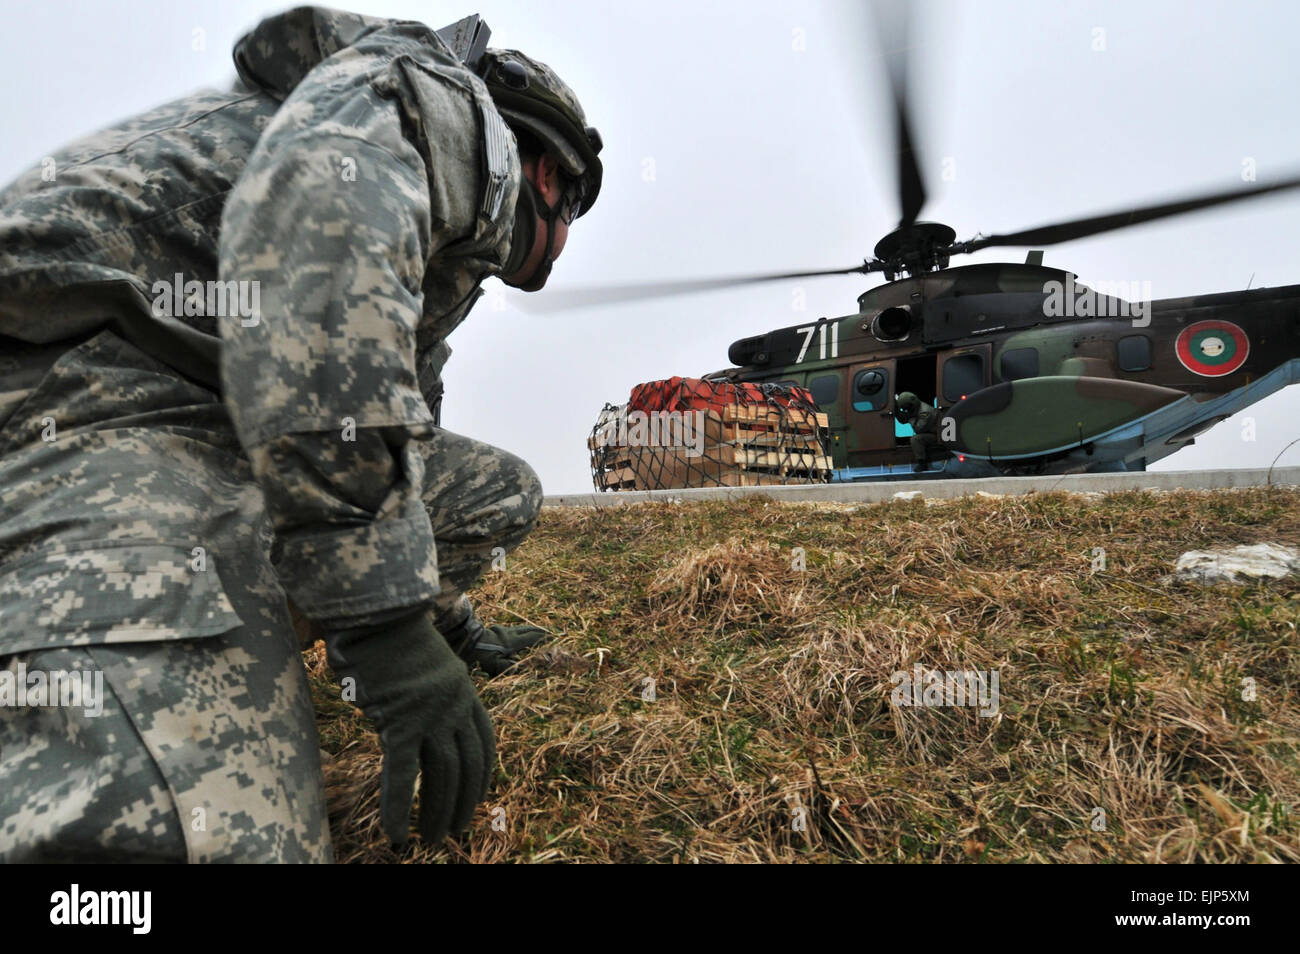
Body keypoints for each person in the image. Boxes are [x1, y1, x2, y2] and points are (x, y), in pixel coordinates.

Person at [0, 6, 601, 862]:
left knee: (498, 489)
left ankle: (249, 614)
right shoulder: (456, 117)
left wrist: (444, 628)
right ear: (549, 171)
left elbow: (390, 443)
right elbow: (311, 249)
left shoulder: (435, 247)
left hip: (205, 407)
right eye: (574, 207)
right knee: (194, 837)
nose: (568, 238)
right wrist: (383, 630)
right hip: (81, 392)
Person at [895, 392, 941, 473]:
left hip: (936, 436)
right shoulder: (915, 408)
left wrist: (910, 418)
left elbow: (918, 429)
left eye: (907, 408)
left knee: (915, 439)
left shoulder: (925, 412)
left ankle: (922, 464)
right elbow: (903, 420)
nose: (906, 410)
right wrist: (897, 410)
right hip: (929, 433)